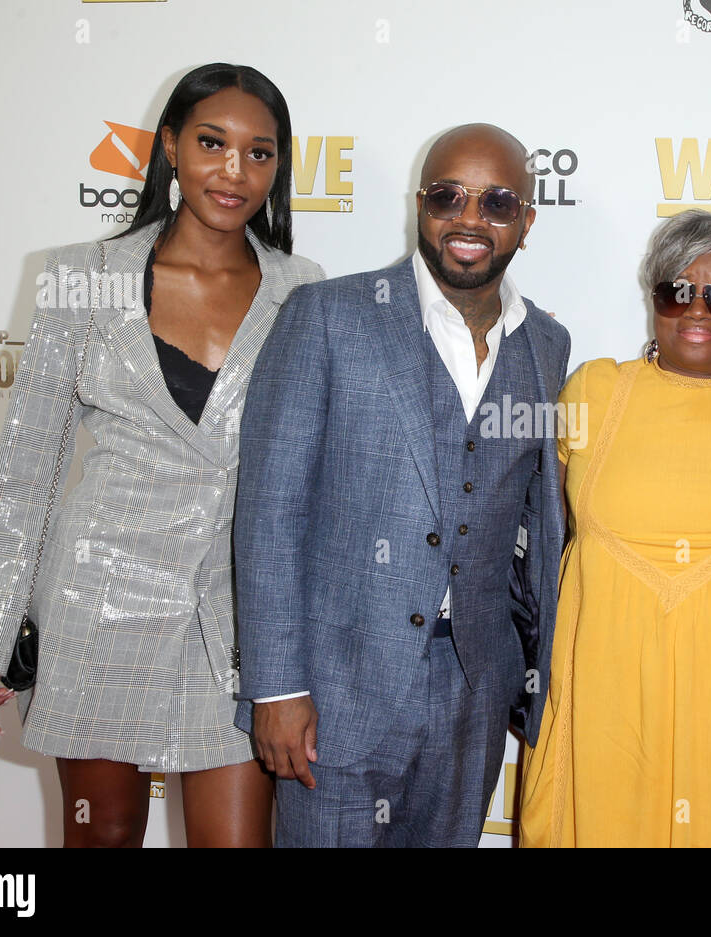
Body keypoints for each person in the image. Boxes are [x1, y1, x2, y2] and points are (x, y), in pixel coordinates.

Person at [0, 63, 325, 847]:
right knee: (101, 837)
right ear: (169, 149)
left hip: (230, 621)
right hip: (98, 605)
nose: (234, 171)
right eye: (213, 143)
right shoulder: (81, 279)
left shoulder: (304, 291)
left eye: (260, 153)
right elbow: (26, 472)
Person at [233, 123, 570, 848]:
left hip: (473, 695)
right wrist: (276, 687)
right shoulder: (328, 316)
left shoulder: (546, 343)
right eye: (448, 196)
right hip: (332, 692)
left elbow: (538, 526)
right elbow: (269, 513)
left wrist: (533, 678)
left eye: (497, 202)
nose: (469, 219)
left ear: (527, 221)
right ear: (421, 205)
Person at [519, 209, 711, 847]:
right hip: (608, 709)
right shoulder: (595, 394)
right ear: (654, 300)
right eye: (676, 291)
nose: (698, 311)